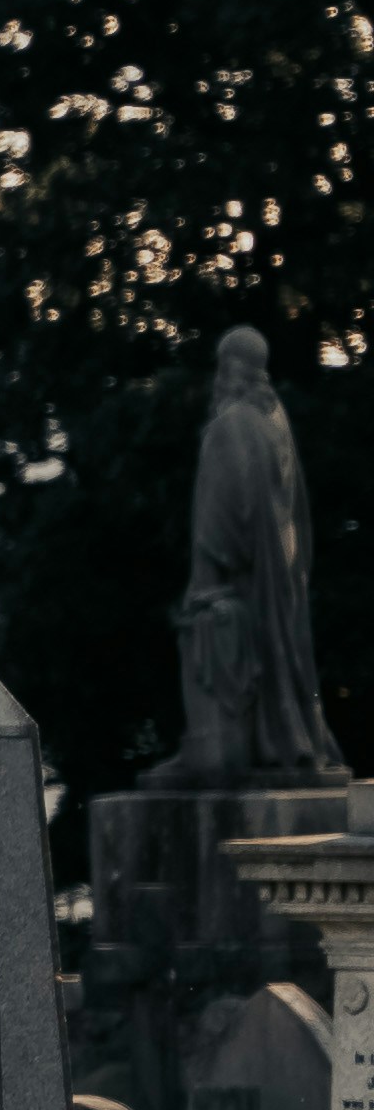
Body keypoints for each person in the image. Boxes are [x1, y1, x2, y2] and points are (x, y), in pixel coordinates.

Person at [171, 324, 337, 782]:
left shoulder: (228, 426)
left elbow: (216, 527)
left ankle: (233, 745)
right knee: (286, 656)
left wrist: (205, 585)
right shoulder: (275, 421)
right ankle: (289, 737)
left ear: (228, 370)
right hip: (282, 573)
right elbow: (294, 509)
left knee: (208, 617)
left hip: (246, 575)